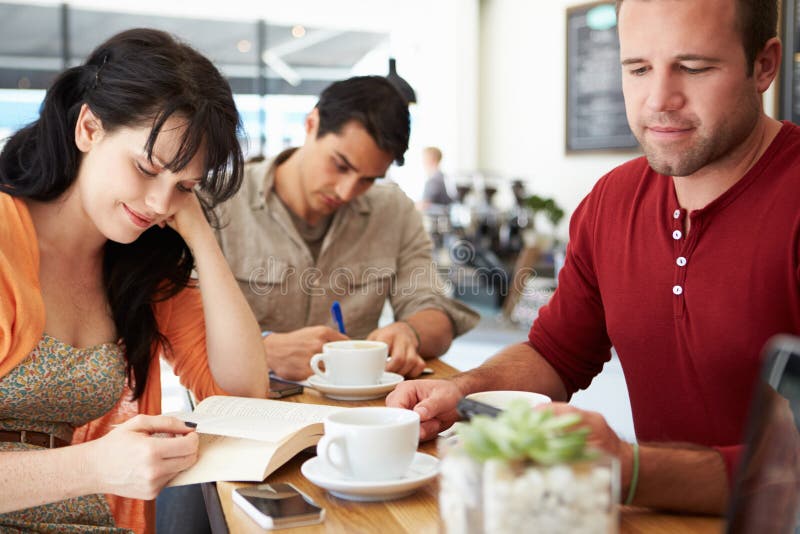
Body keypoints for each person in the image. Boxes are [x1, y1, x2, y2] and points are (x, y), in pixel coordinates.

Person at [388, 0, 799, 515]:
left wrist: (628, 469)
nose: (659, 100)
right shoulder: (611, 201)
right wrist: (463, 391)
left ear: (764, 65)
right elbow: (555, 355)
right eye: (638, 69)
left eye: (693, 68)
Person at [0, 29, 269, 533]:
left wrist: (199, 234)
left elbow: (244, 394)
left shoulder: (136, 267)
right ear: (88, 128)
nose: (160, 203)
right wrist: (95, 466)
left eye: (185, 186)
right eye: (147, 168)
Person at [215, 76, 479, 381]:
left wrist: (411, 332)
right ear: (311, 124)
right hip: (243, 408)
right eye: (340, 165)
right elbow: (177, 329)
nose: (346, 191)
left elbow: (435, 313)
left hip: (353, 411)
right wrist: (262, 348)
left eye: (368, 179)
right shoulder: (220, 201)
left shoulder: (393, 210)